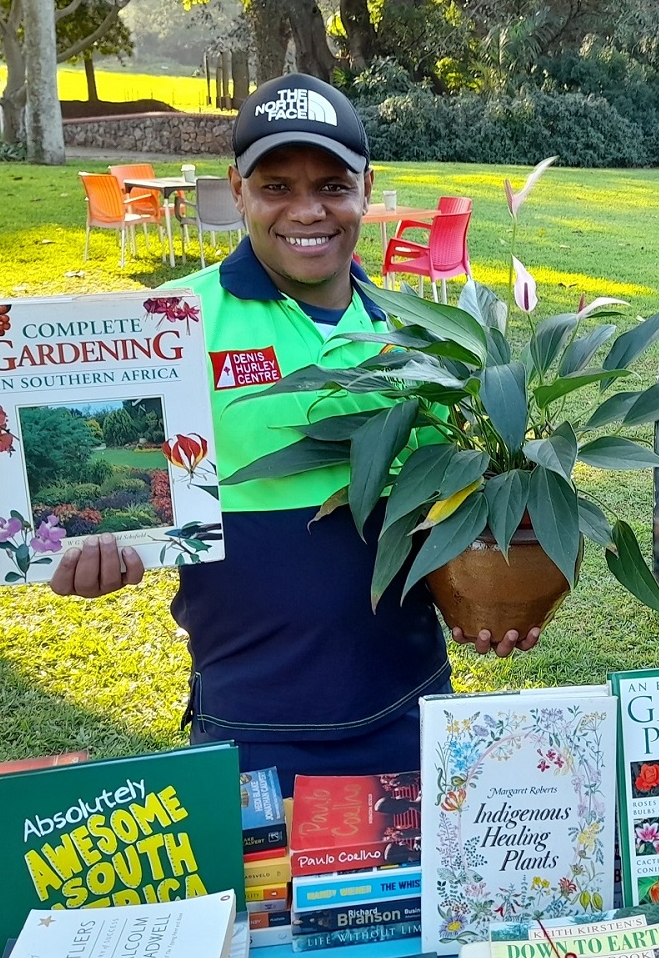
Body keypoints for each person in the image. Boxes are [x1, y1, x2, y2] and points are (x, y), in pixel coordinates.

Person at [50, 73, 538, 785]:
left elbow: (450, 511)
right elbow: (107, 488)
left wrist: (492, 597)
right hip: (253, 725)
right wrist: (83, 542)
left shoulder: (418, 333)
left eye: (332, 186)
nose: (307, 210)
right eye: (277, 186)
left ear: (366, 188)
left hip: (410, 711)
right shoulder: (169, 325)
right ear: (238, 188)